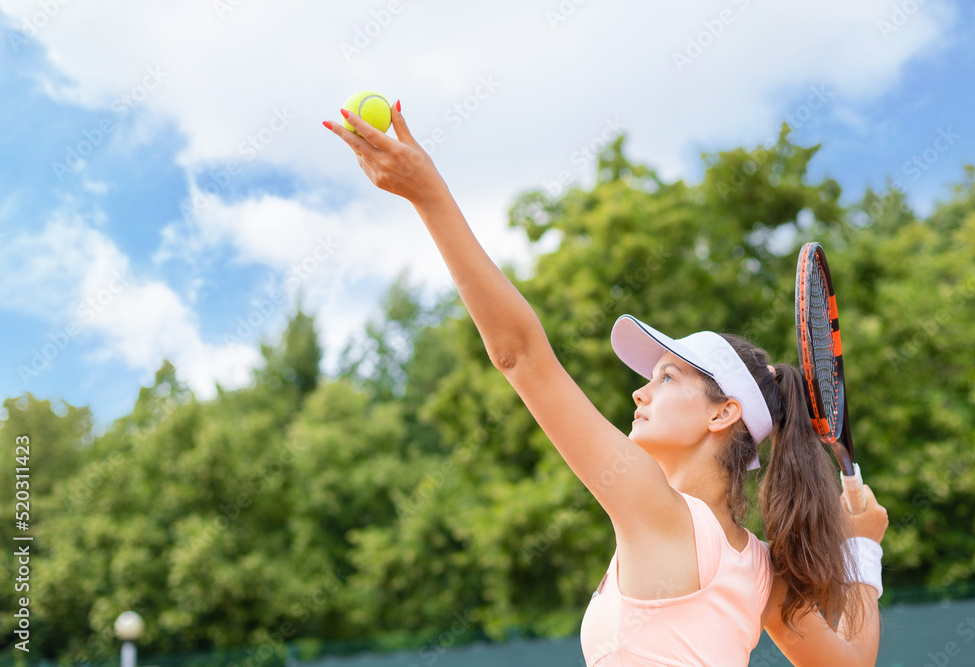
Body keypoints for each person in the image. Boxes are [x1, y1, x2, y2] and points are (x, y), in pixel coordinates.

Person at [326, 102, 890, 667]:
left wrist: (428, 195)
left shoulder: (653, 503)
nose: (639, 393)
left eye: (668, 376)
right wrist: (862, 551)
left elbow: (519, 354)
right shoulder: (762, 571)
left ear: (723, 414)